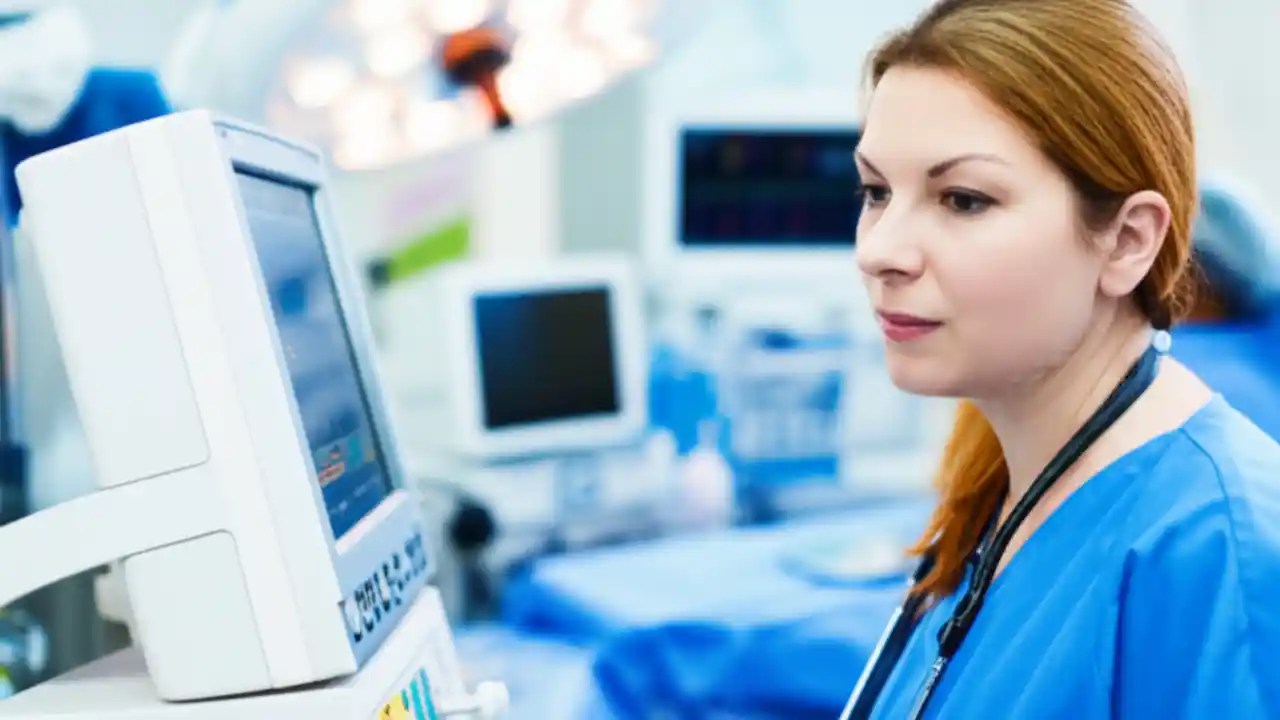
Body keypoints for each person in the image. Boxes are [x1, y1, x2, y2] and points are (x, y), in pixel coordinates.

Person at [841, 1, 1280, 718]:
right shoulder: (1005, 488)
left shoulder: (1225, 554)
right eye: (876, 192)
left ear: (1128, 241)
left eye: (963, 200)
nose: (879, 250)